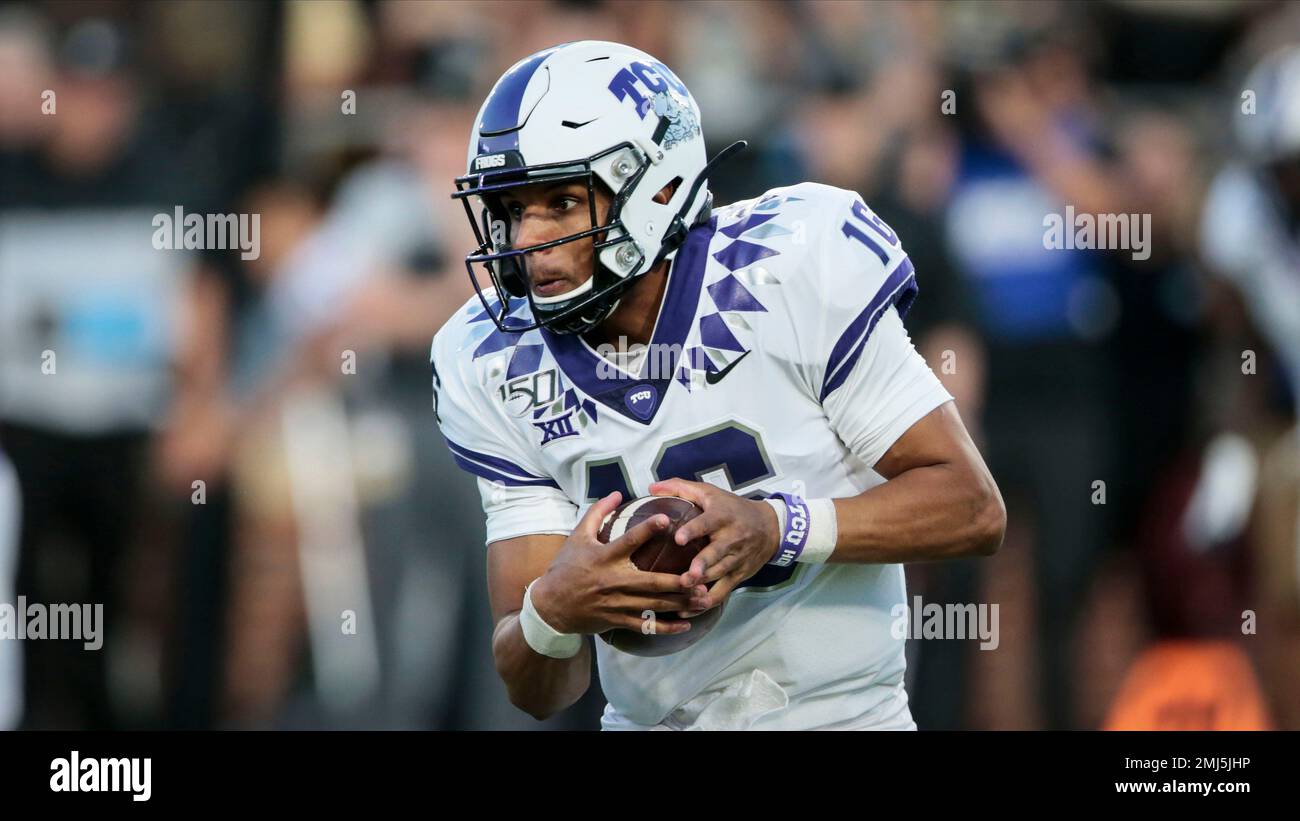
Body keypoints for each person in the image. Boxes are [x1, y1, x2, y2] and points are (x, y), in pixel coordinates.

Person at [429, 41, 1005, 730]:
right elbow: (539, 690)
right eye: (511, 208)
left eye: (561, 202)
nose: (529, 239)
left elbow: (972, 507)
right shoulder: (493, 358)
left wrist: (780, 528)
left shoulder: (789, 265)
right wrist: (553, 610)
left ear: (657, 188)